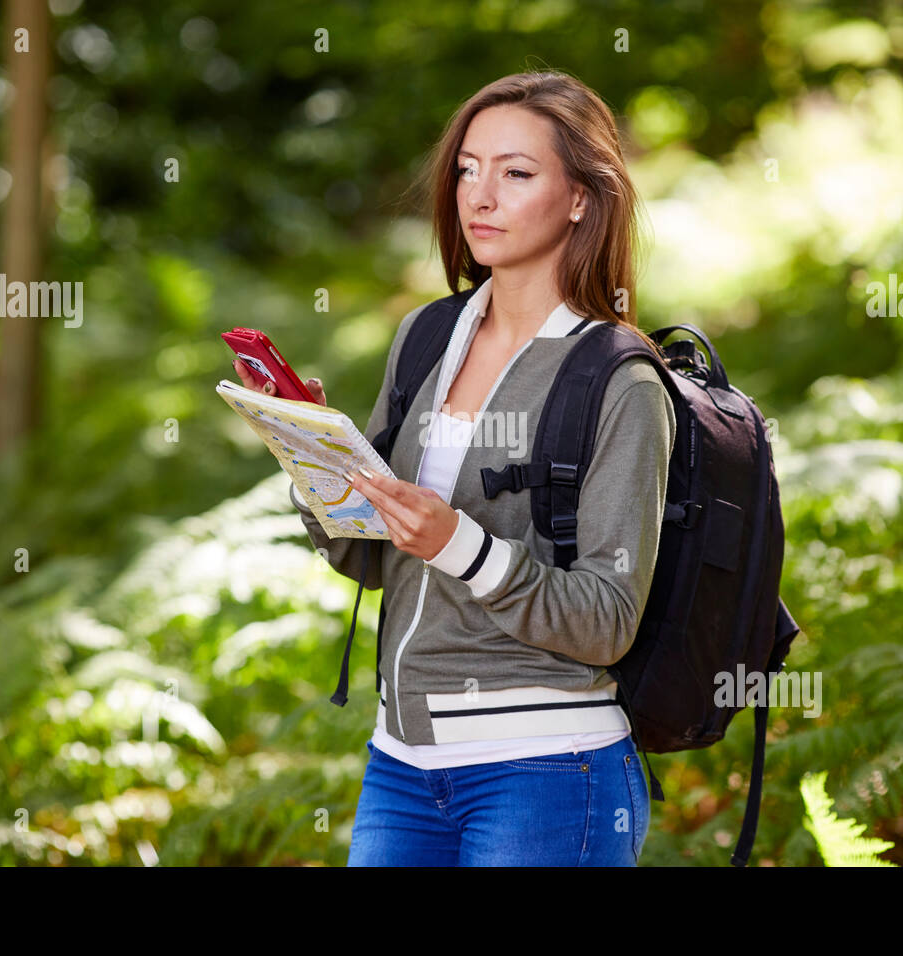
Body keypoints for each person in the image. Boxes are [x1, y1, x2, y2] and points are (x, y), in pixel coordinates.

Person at [238, 70, 675, 866]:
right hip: (400, 766)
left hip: (546, 769)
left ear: (581, 198)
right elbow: (370, 558)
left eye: (516, 173)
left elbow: (608, 621)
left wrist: (457, 544)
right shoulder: (428, 336)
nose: (480, 196)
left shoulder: (620, 380)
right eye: (468, 169)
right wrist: (312, 465)